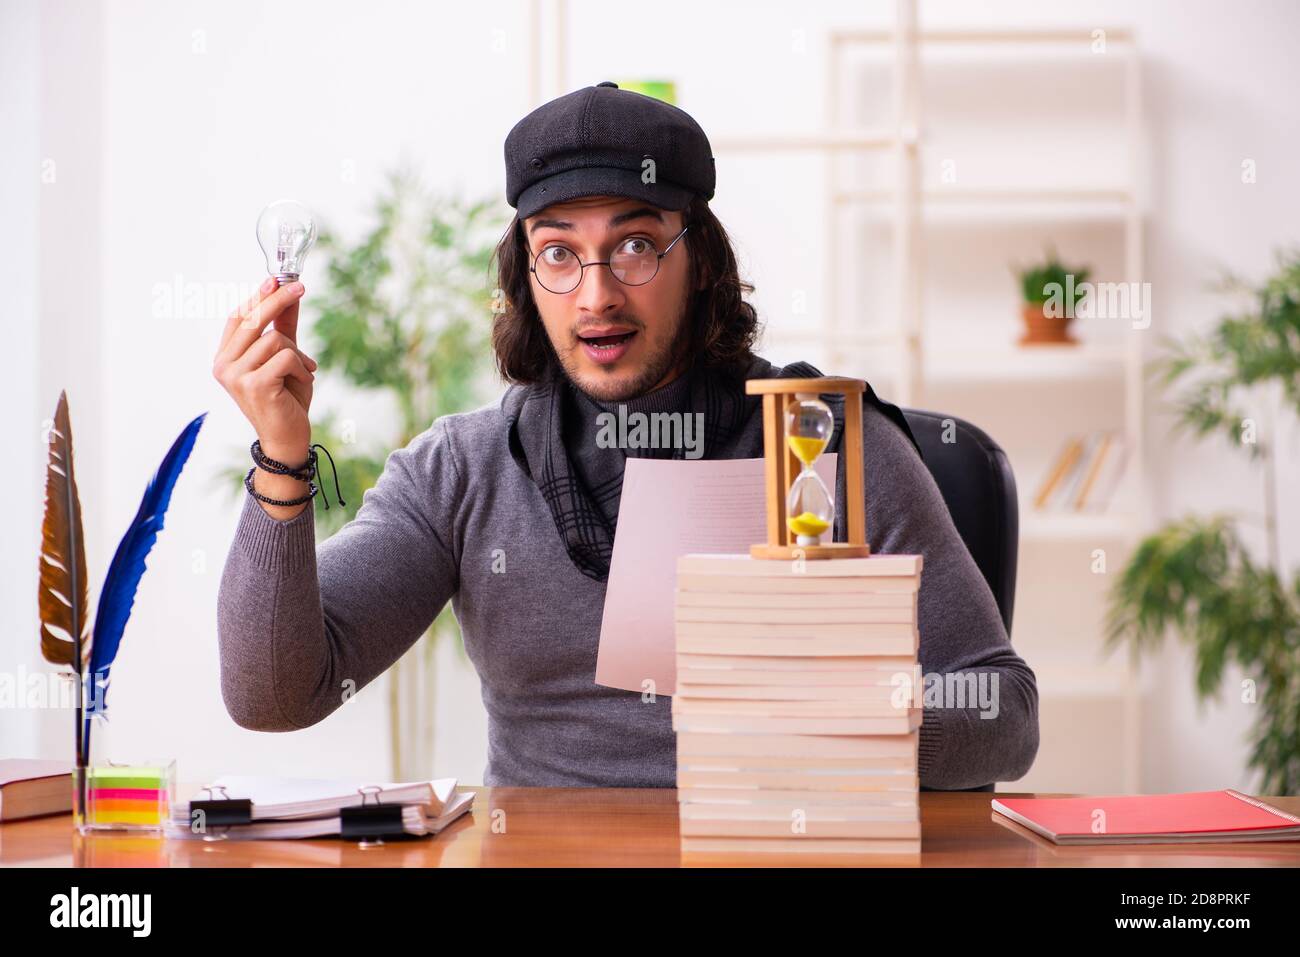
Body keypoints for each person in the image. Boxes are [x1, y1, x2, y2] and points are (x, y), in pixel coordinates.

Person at [211, 81, 1038, 789]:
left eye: (636, 245)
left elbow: (1004, 711)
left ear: (702, 261)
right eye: (560, 254)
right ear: (525, 276)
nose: (596, 295)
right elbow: (275, 696)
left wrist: (832, 715)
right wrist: (282, 457)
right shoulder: (461, 469)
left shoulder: (820, 444)